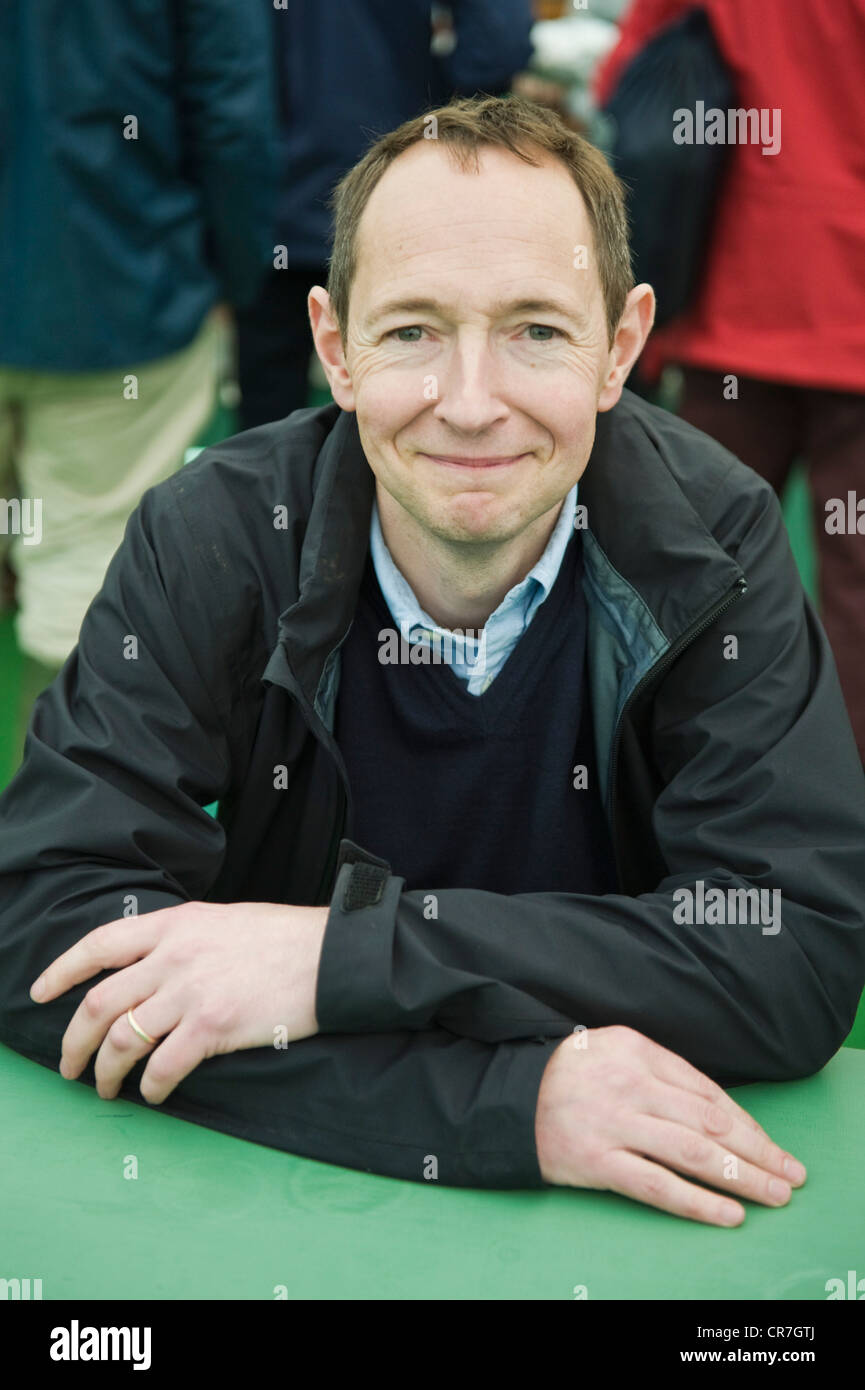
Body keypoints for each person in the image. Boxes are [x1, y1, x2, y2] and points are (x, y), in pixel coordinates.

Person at [1, 96, 864, 1228]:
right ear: (333, 346)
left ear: (619, 347)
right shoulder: (212, 534)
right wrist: (509, 1103)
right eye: (410, 329)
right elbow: (46, 932)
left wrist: (334, 960)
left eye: (536, 332)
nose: (469, 403)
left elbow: (788, 949)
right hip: (269, 1221)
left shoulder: (717, 542)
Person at [0, 0, 279, 764]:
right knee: (83, 580)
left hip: (106, 284)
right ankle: (54, 848)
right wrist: (238, 265)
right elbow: (232, 111)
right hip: (112, 285)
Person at [593, 0, 865, 761]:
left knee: (697, 571)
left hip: (736, 301)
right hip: (849, 320)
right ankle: (839, 814)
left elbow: (628, 76)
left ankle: (681, 779)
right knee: (856, 595)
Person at [235, 0, 535, 429]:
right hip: (399, 187)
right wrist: (430, 98)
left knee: (267, 427)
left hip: (271, 203)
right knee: (412, 391)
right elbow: (498, 44)